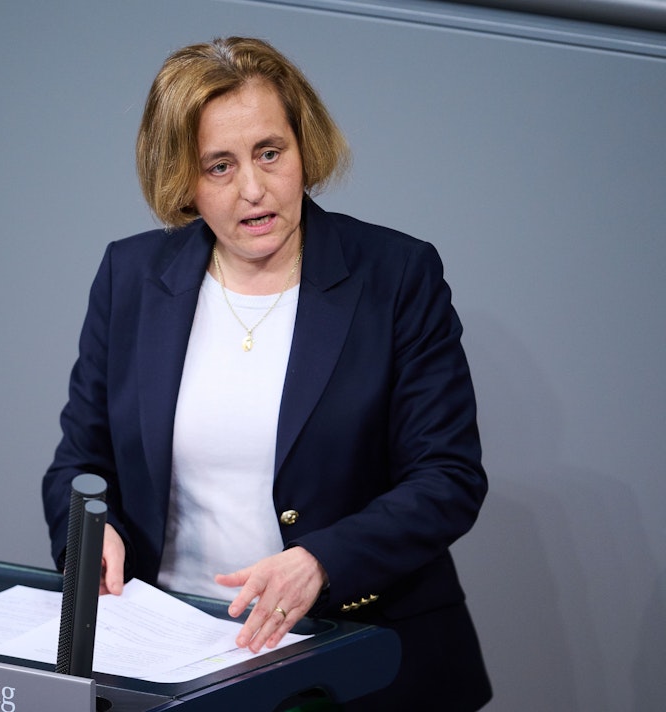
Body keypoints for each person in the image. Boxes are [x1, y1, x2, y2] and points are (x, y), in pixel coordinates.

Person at [42, 36, 491, 710]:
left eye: (270, 153)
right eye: (219, 166)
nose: (253, 188)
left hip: (359, 654)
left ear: (303, 147)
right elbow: (79, 463)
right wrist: (88, 532)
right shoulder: (131, 277)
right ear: (183, 180)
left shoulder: (395, 275)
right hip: (171, 657)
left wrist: (322, 561)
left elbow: (447, 476)